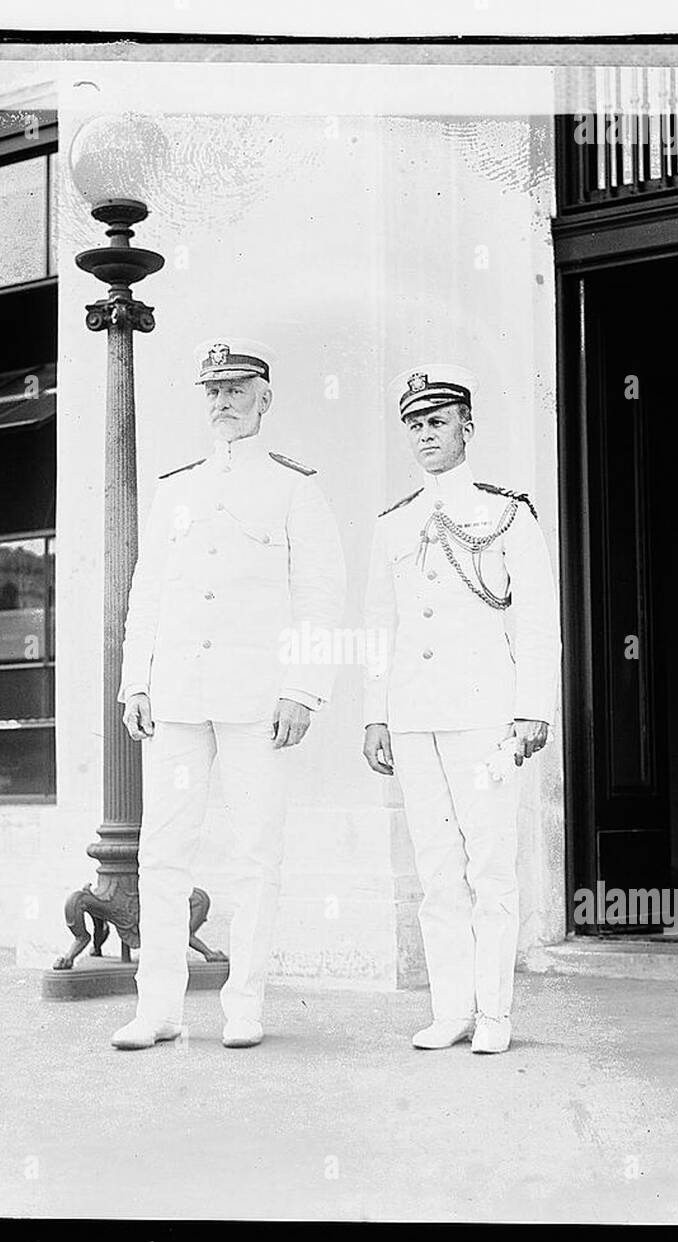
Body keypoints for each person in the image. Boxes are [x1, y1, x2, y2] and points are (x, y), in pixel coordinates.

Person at [112, 338, 346, 1050]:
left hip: (257, 701)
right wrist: (137, 681)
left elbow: (320, 592)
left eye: (237, 391)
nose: (223, 402)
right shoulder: (175, 488)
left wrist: (304, 686)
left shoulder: (293, 486)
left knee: (255, 855)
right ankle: (158, 1008)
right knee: (162, 854)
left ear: (264, 400)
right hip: (179, 695)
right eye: (213, 391)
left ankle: (244, 1005)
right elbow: (147, 589)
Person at [362, 365, 560, 1054]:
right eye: (414, 425)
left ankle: (496, 1014)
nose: (425, 435)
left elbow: (535, 619)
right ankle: (451, 1009)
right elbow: (379, 625)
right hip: (415, 717)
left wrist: (533, 707)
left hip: (485, 715)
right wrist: (375, 714)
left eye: (438, 421)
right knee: (437, 867)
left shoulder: (506, 512)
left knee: (491, 865)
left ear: (466, 428)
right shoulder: (394, 523)